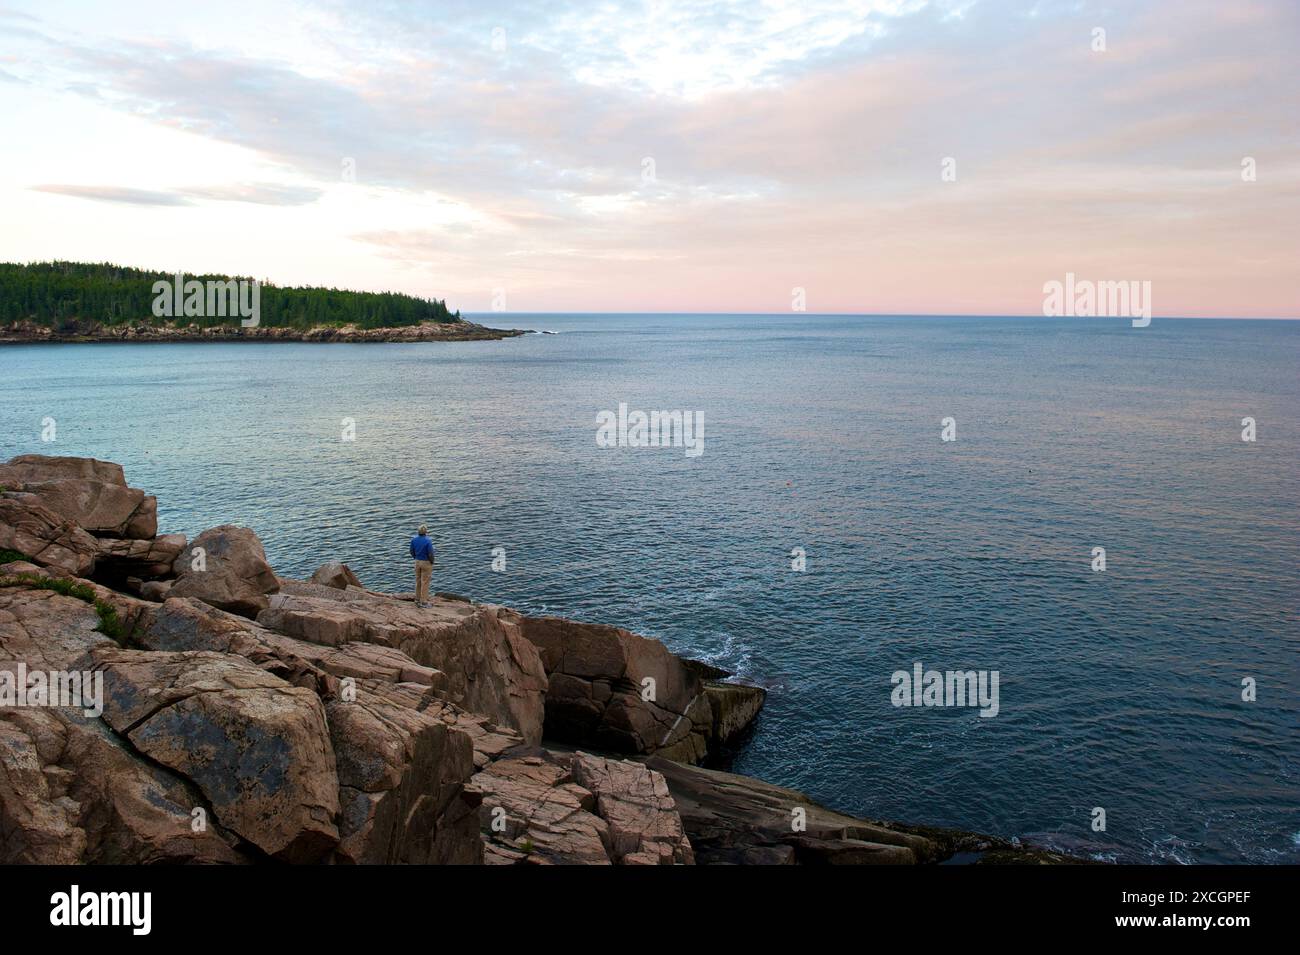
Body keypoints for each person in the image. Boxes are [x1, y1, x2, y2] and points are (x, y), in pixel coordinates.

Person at [410, 524, 436, 608]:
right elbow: (430, 553)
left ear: (418, 531)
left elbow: (411, 551)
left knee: (418, 580)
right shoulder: (428, 541)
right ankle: (424, 602)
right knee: (425, 582)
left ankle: (417, 599)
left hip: (417, 561)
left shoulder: (414, 540)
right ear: (426, 532)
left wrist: (416, 558)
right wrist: (432, 562)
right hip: (426, 562)